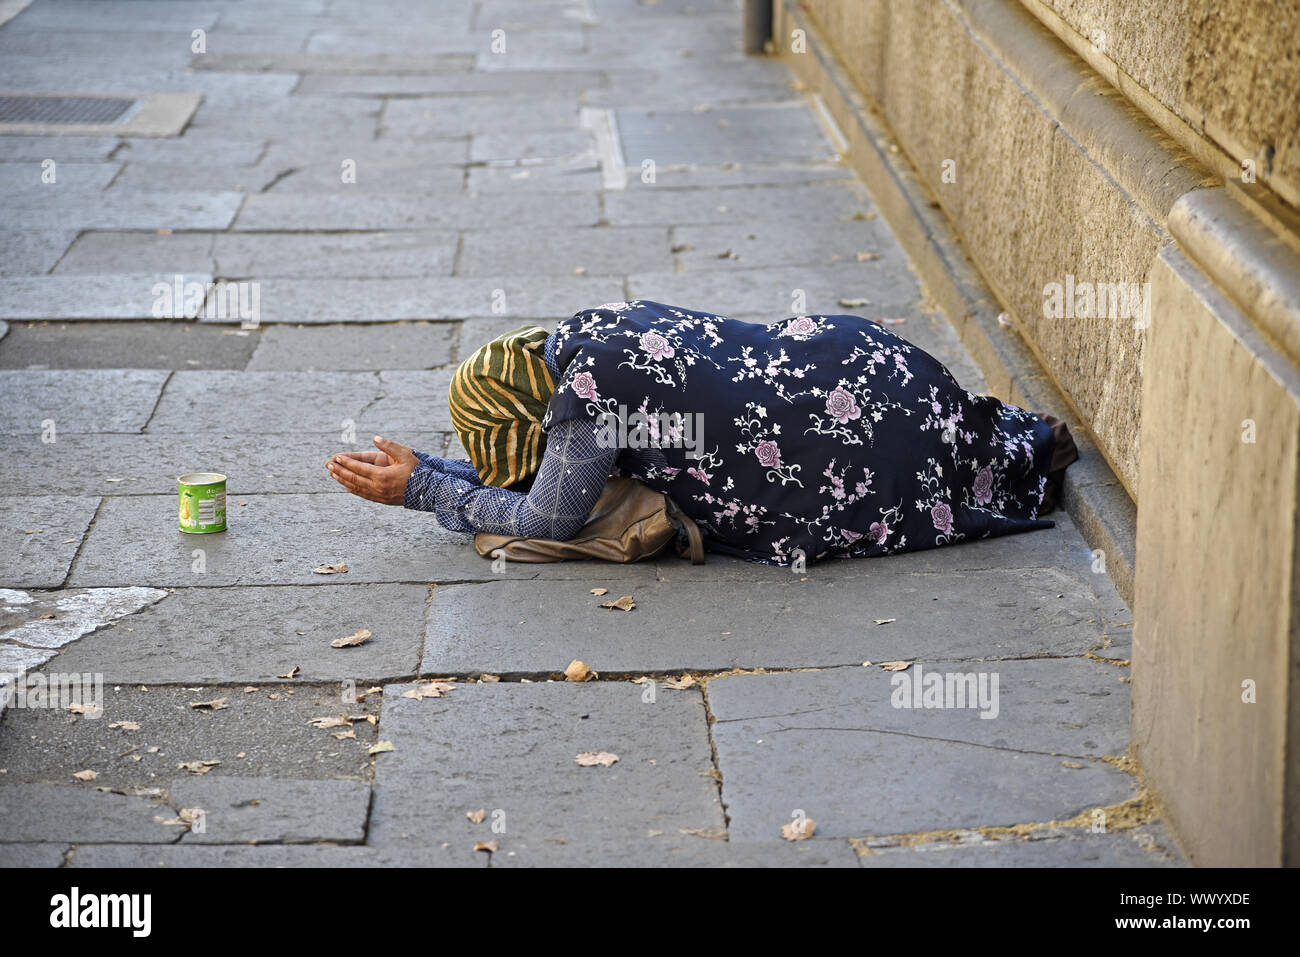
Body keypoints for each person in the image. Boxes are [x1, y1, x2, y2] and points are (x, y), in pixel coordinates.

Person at [326, 300, 1077, 565]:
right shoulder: (591, 335)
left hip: (844, 457)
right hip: (867, 368)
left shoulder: (588, 403)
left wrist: (424, 488)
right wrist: (442, 467)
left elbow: (548, 513)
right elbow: (557, 461)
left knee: (867, 491)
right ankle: (1006, 447)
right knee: (965, 446)